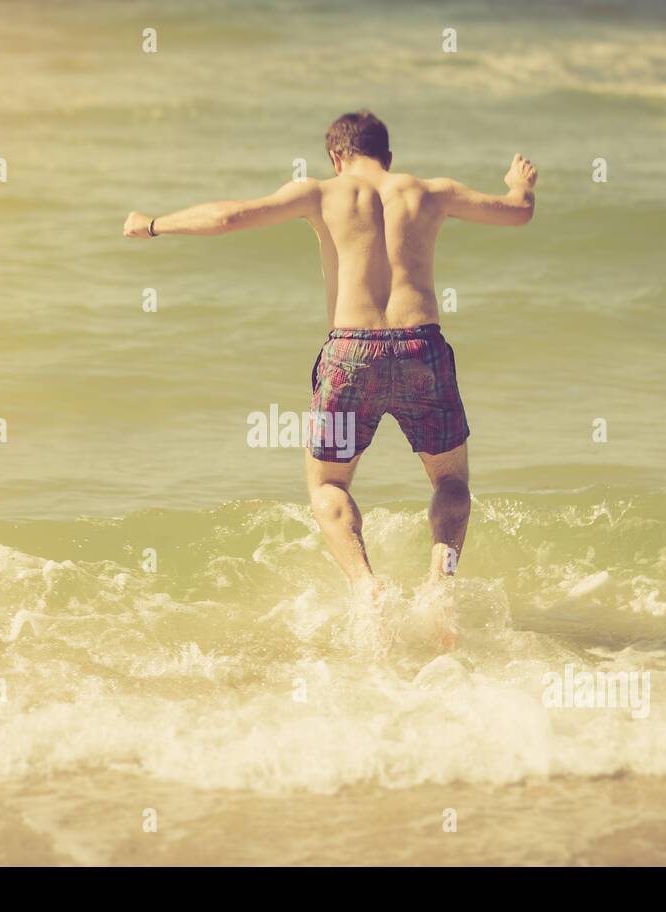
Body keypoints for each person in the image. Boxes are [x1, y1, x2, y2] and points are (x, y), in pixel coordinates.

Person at [124, 109, 536, 600]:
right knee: (450, 482)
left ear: (336, 157)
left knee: (328, 485)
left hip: (350, 356)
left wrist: (150, 224)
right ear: (389, 156)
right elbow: (517, 212)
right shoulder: (429, 191)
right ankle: (440, 583)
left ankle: (366, 584)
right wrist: (520, 185)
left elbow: (228, 217)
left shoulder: (320, 192)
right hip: (420, 347)